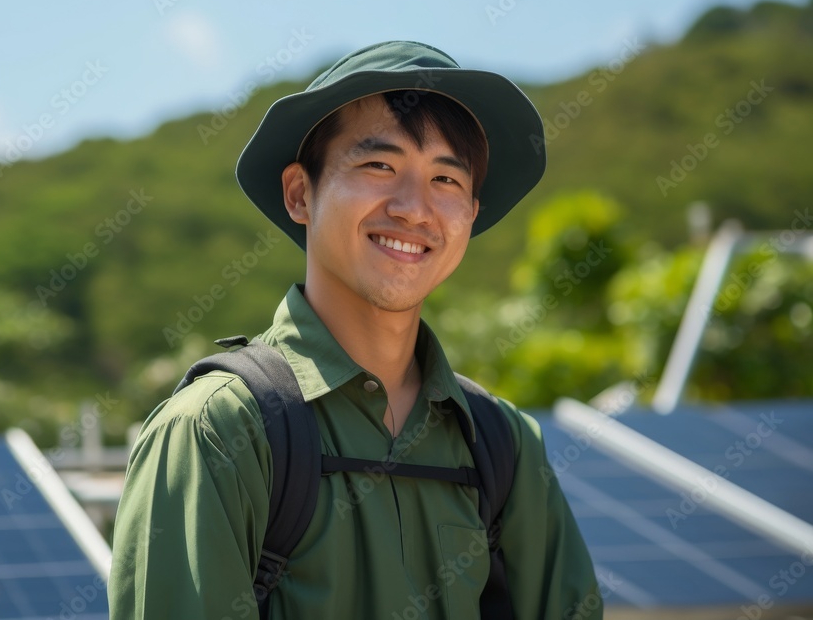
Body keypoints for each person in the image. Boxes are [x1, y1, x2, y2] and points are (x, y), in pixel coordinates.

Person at [108, 41, 601, 619]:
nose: (415, 209)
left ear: (471, 213)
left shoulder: (503, 444)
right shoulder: (219, 432)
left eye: (447, 178)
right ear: (300, 193)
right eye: (379, 166)